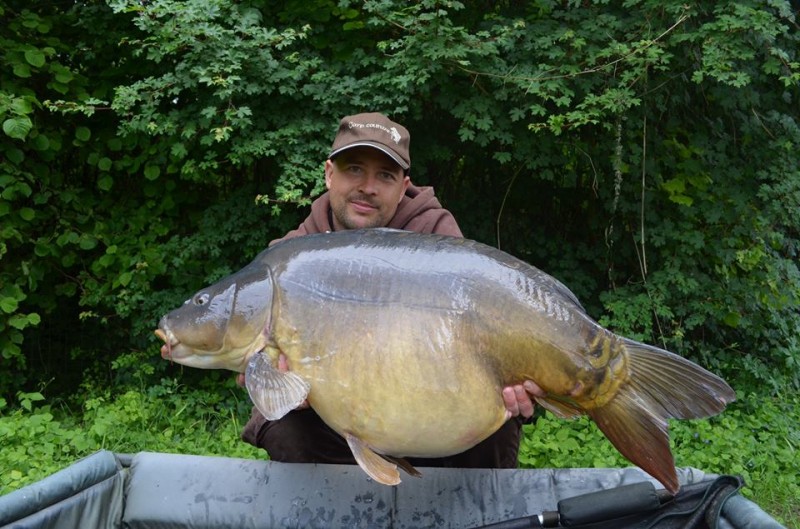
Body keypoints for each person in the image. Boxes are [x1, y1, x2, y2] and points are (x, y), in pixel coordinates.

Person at [241, 112, 544, 469]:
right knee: (283, 424)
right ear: (329, 173)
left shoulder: (436, 236)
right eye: (354, 168)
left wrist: (526, 389)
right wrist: (280, 384)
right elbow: (251, 358)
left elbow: (487, 336)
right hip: (336, 420)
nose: (368, 186)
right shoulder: (291, 258)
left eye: (385, 175)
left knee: (498, 428)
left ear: (403, 186)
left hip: (430, 408)